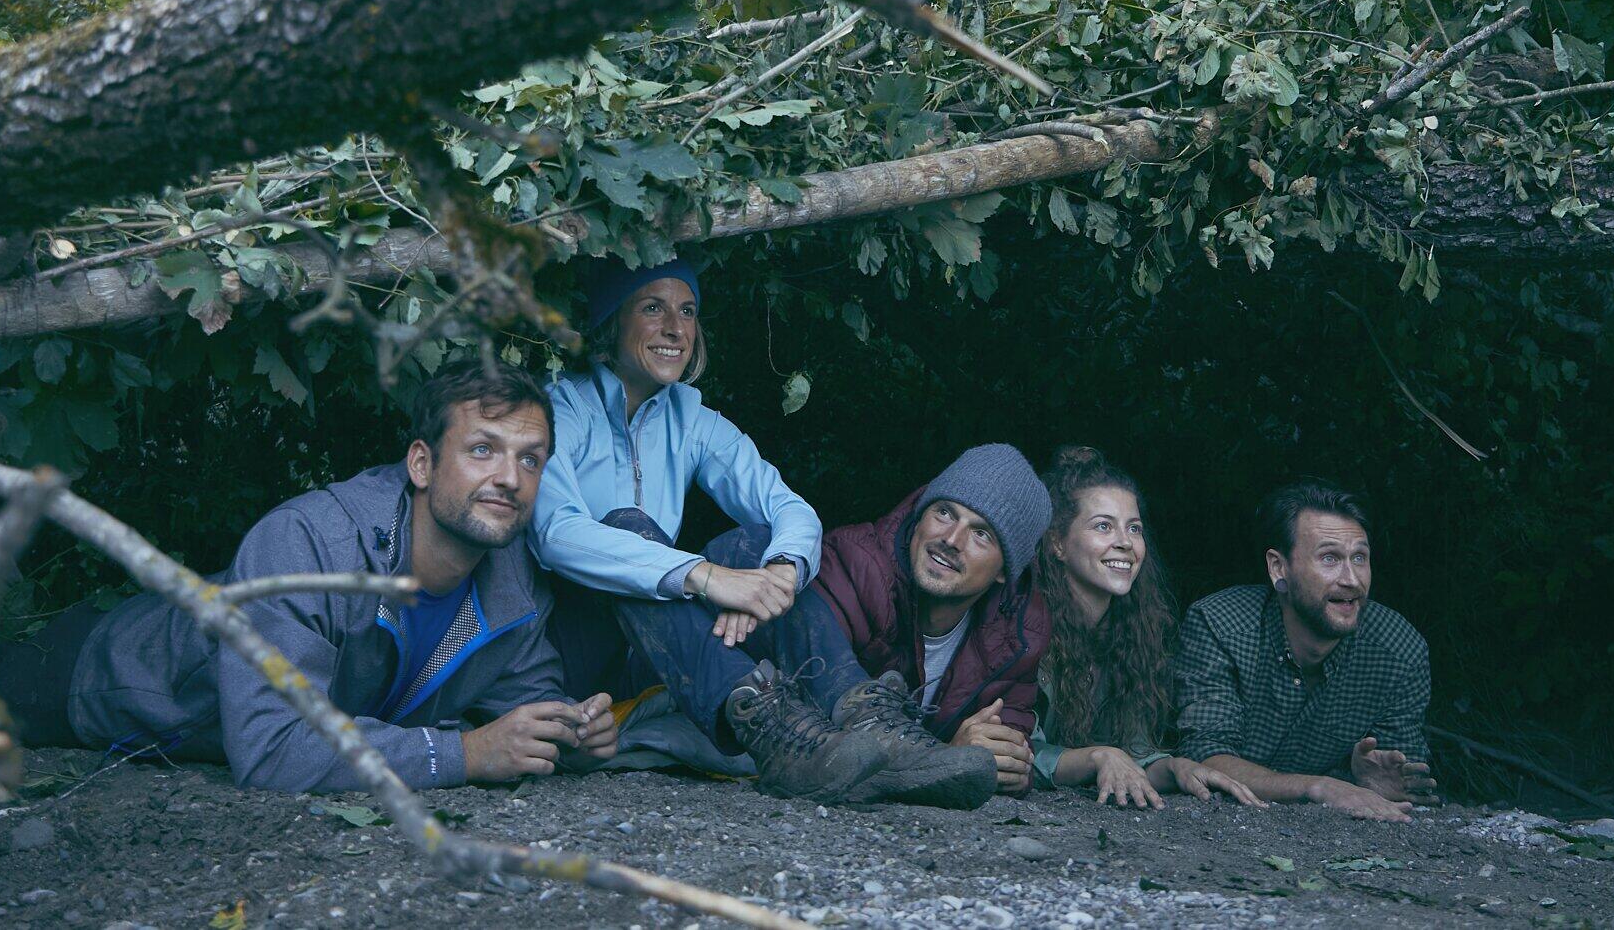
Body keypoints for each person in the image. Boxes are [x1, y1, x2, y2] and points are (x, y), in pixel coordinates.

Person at [33, 357, 619, 793]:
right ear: (422, 462)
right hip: (93, 672)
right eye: (483, 450)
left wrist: (572, 735)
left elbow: (528, 701)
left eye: (529, 458)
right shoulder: (308, 541)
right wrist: (463, 753)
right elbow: (274, 747)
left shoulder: (512, 580)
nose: (511, 478)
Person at [529, 256, 990, 806]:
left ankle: (867, 717)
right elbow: (555, 534)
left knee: (759, 539)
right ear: (612, 322)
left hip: (656, 652)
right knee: (629, 530)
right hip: (572, 649)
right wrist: (703, 576)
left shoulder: (691, 419)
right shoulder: (561, 407)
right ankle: (773, 733)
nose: (676, 329)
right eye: (653, 308)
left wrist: (777, 575)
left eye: (688, 311)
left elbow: (788, 508)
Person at [1172, 479, 1437, 821]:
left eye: (1359, 557)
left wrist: (1367, 780)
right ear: (1278, 568)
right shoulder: (1220, 624)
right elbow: (1204, 755)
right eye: (1329, 558)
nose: (1352, 579)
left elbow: (1407, 781)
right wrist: (1320, 787)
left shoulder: (1399, 649)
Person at [810, 443, 1055, 798]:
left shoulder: (1020, 630)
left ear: (1005, 570)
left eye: (981, 533)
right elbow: (815, 730)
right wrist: (944, 755)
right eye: (944, 512)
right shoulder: (853, 566)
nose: (951, 540)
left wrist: (1007, 766)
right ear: (920, 515)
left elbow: (1012, 746)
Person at [1032, 447, 1262, 810]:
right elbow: (1018, 751)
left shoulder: (1130, 635)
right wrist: (1098, 757)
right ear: (1058, 543)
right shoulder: (1025, 627)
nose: (1125, 542)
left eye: (1134, 528)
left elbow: (1132, 755)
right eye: (1103, 526)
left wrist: (1174, 767)